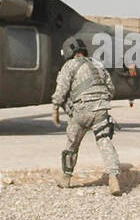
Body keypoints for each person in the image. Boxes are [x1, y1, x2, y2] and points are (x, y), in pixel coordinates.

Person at [51, 36, 121, 195]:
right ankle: (113, 178)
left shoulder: (69, 66)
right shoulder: (98, 65)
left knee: (72, 145)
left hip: (81, 111)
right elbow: (111, 89)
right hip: (101, 110)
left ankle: (66, 178)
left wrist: (55, 107)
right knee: (104, 142)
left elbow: (61, 90)